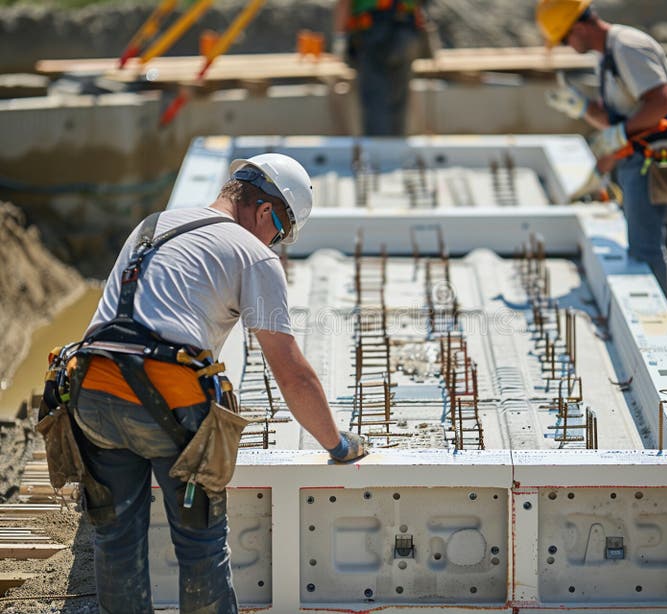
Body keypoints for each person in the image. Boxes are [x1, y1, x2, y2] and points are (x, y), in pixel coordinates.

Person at [67, 153, 367, 612]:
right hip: (169, 403)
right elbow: (289, 369)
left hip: (91, 391)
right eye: (281, 233)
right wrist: (337, 444)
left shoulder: (152, 225)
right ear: (266, 211)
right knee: (200, 545)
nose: (278, 244)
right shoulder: (254, 255)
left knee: (116, 540)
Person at [536, 0, 667, 296]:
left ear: (581, 27)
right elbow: (618, 118)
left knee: (644, 248)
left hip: (655, 155)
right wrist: (583, 108)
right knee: (641, 240)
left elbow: (662, 104)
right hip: (639, 154)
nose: (566, 47)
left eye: (564, 39)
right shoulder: (607, 55)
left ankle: (658, 325)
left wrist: (618, 137)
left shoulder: (627, 47)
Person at [333, 0, 425, 136]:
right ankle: (396, 150)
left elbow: (344, 3)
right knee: (398, 100)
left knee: (374, 100)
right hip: (406, 31)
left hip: (374, 32)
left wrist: (339, 37)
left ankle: (378, 153)